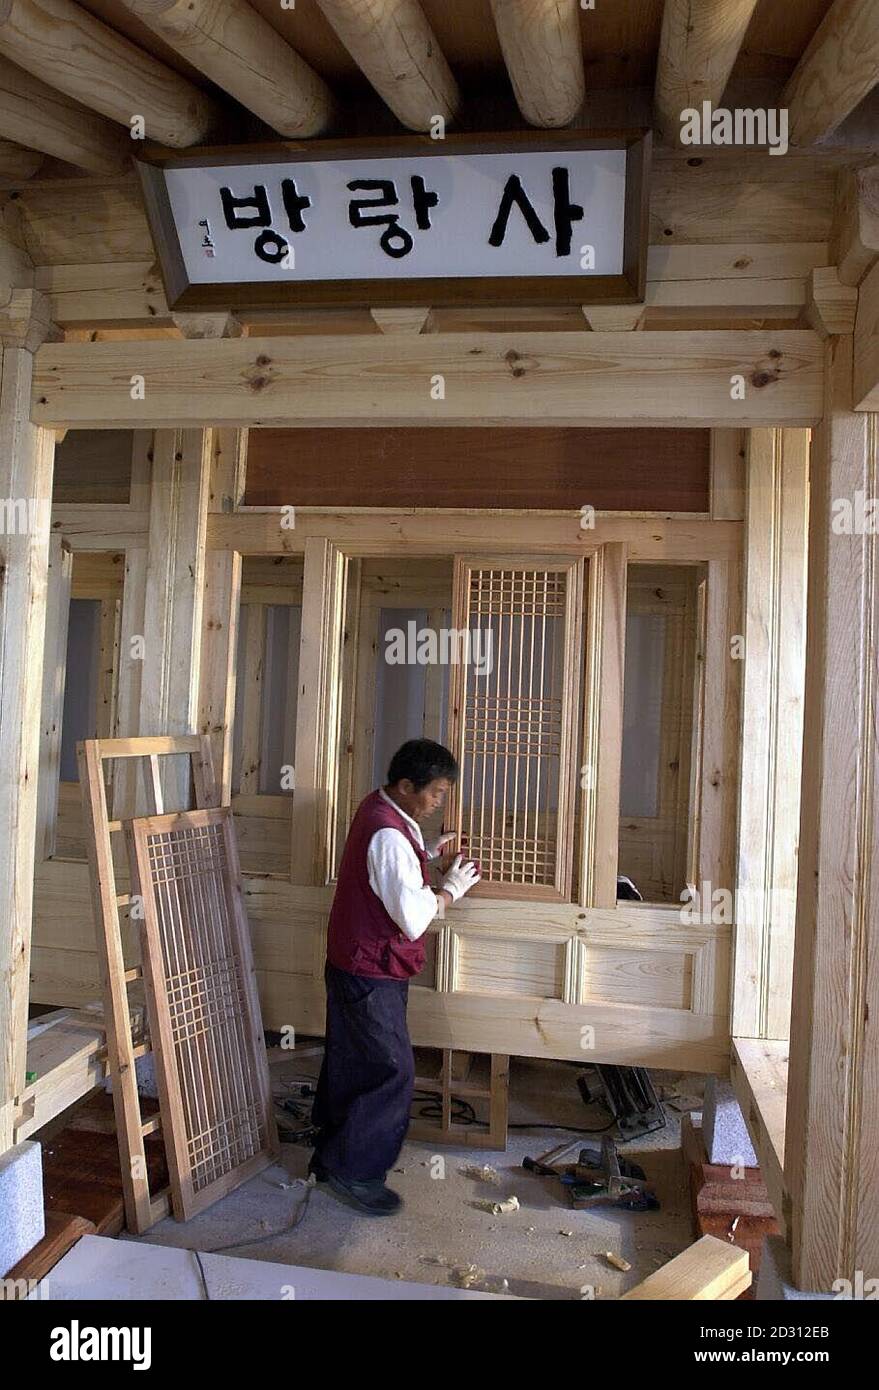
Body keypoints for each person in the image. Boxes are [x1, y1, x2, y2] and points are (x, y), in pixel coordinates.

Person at [309, 739, 480, 1215]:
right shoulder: (387, 835)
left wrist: (421, 852)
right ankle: (354, 1174)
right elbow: (412, 917)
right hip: (371, 968)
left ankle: (330, 1157)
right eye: (436, 794)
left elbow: (388, 871)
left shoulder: (379, 809)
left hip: (353, 960)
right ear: (406, 786)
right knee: (391, 1070)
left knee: (351, 1058)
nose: (439, 802)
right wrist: (449, 889)